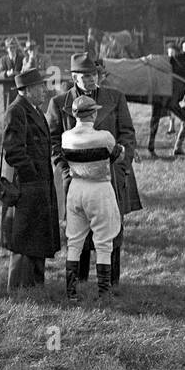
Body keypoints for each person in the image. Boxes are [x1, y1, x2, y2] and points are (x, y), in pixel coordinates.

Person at [46, 53, 139, 292]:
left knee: (112, 227)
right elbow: (54, 141)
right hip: (76, 177)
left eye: (93, 75)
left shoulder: (116, 98)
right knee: (78, 232)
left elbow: (127, 134)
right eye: (84, 76)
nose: (89, 80)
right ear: (74, 77)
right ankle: (79, 280)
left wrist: (121, 164)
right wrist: (65, 169)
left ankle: (111, 282)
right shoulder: (58, 103)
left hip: (111, 175)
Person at [0, 67, 59, 293]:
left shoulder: (32, 109)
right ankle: (19, 288)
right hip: (27, 187)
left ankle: (34, 285)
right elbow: (13, 150)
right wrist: (33, 175)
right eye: (41, 86)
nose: (45, 90)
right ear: (28, 89)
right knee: (23, 239)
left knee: (37, 237)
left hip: (39, 186)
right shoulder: (17, 111)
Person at [59, 95, 123, 303]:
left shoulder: (66, 136)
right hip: (99, 189)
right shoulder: (104, 136)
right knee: (104, 243)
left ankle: (71, 292)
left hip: (76, 189)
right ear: (93, 113)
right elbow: (116, 155)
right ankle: (103, 292)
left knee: (74, 241)